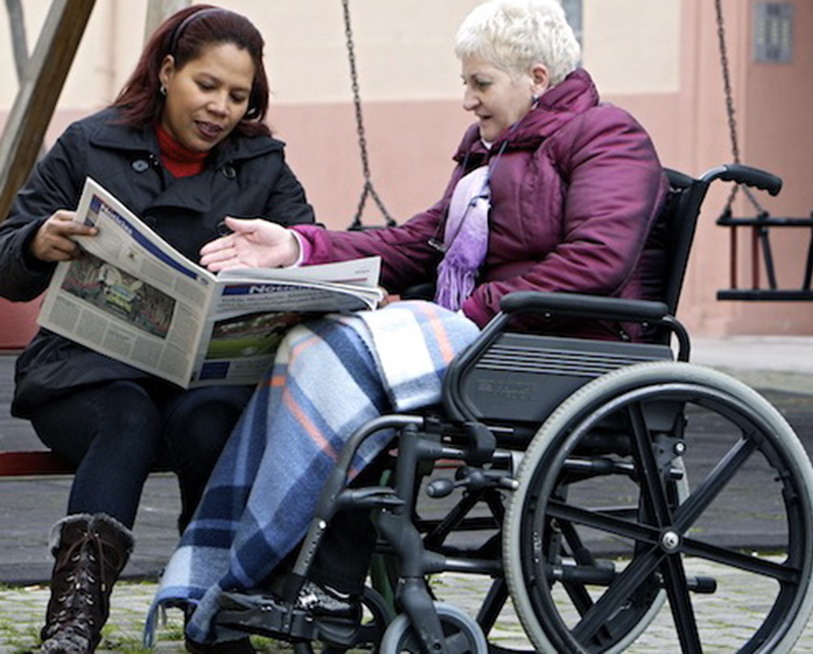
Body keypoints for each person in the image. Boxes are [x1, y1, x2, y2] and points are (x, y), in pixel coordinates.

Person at [149, 0, 669, 648]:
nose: (467, 101)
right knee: (309, 342)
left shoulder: (608, 136)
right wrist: (297, 247)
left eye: (479, 83)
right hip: (492, 340)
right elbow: (415, 244)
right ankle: (298, 579)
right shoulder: (490, 158)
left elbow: (596, 262)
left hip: (556, 351)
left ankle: (303, 580)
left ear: (535, 78)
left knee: (340, 355)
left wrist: (470, 310)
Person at [0, 6, 315, 654]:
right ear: (168, 72)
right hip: (86, 377)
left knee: (214, 422)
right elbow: (8, 264)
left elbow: (313, 257)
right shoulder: (88, 146)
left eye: (238, 95)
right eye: (207, 86)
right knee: (127, 418)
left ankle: (214, 610)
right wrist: (36, 241)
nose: (221, 108)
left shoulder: (263, 165)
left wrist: (289, 253)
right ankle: (73, 622)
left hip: (200, 382)